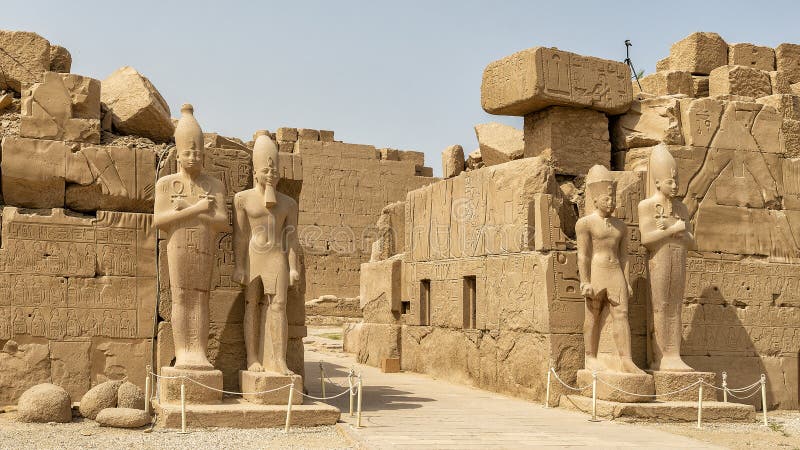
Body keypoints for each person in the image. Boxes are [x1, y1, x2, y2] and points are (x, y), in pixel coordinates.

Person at [153, 104, 229, 370]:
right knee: (181, 298)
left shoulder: (214, 185)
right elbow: (159, 220)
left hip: (204, 245)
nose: (194, 156)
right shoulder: (167, 184)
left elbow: (222, 222)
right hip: (178, 245)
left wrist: (190, 209)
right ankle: (183, 352)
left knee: (201, 298)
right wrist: (197, 208)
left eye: (198, 152)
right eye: (188, 152)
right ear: (178, 155)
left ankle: (199, 352)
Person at [233, 131, 300, 375]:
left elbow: (291, 238)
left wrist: (294, 268)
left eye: (274, 170)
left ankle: (279, 360)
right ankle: (252, 358)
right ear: (255, 173)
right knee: (251, 304)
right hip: (254, 256)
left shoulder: (288, 203)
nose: (271, 174)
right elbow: (240, 236)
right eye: (266, 170)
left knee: (279, 305)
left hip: (276, 256)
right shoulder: (243, 199)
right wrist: (239, 266)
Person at [576, 165, 643, 374]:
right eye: (606, 198)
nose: (611, 202)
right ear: (595, 200)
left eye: (613, 198)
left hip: (615, 272)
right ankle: (590, 357)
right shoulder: (585, 223)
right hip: (597, 270)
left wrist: (627, 281)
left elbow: (624, 256)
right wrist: (584, 281)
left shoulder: (620, 226)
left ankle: (626, 359)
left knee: (621, 314)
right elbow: (583, 255)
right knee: (593, 314)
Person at [637, 145, 695, 372]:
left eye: (676, 181)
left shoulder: (681, 208)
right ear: (658, 183)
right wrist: (673, 230)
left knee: (676, 307)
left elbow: (692, 241)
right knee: (661, 306)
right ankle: (661, 356)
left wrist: (678, 231)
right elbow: (647, 239)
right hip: (659, 260)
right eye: (670, 182)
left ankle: (675, 354)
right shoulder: (647, 206)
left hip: (678, 258)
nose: (675, 185)